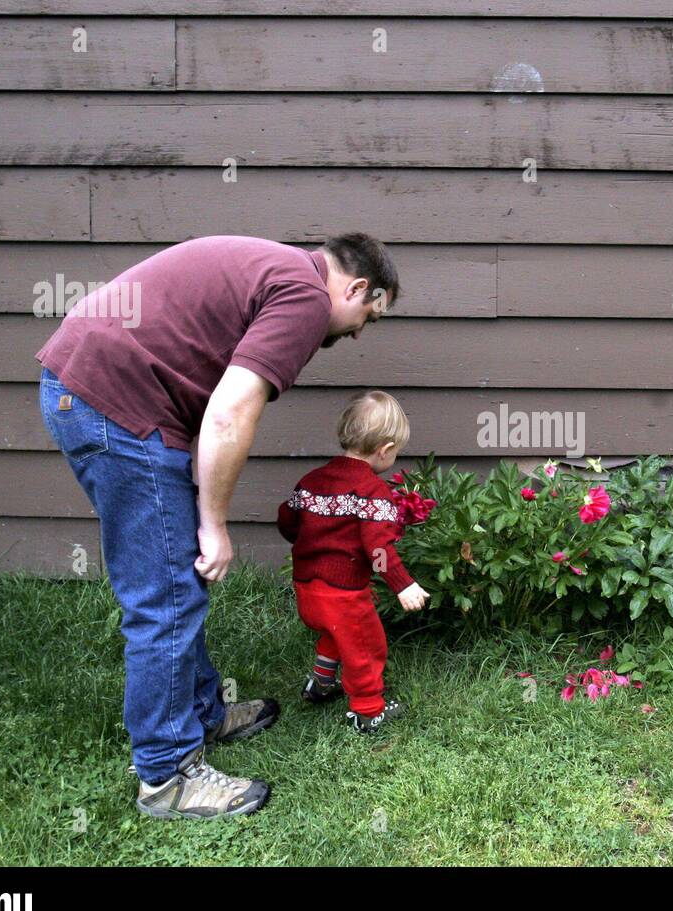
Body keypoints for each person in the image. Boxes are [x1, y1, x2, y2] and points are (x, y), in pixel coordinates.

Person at [35, 233, 400, 818]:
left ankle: (202, 712)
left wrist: (202, 510)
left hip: (96, 393)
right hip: (115, 406)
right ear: (355, 287)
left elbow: (211, 408)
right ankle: (167, 775)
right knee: (166, 597)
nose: (359, 331)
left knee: (177, 579)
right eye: (368, 314)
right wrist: (214, 524)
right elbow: (230, 413)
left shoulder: (276, 270)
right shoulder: (305, 296)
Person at [278, 391, 430, 733]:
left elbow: (287, 520)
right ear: (386, 449)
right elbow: (378, 548)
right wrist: (403, 584)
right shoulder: (371, 492)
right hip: (343, 595)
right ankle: (367, 711)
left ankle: (320, 683)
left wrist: (310, 545)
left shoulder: (312, 481)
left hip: (306, 590)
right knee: (364, 646)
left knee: (335, 634)